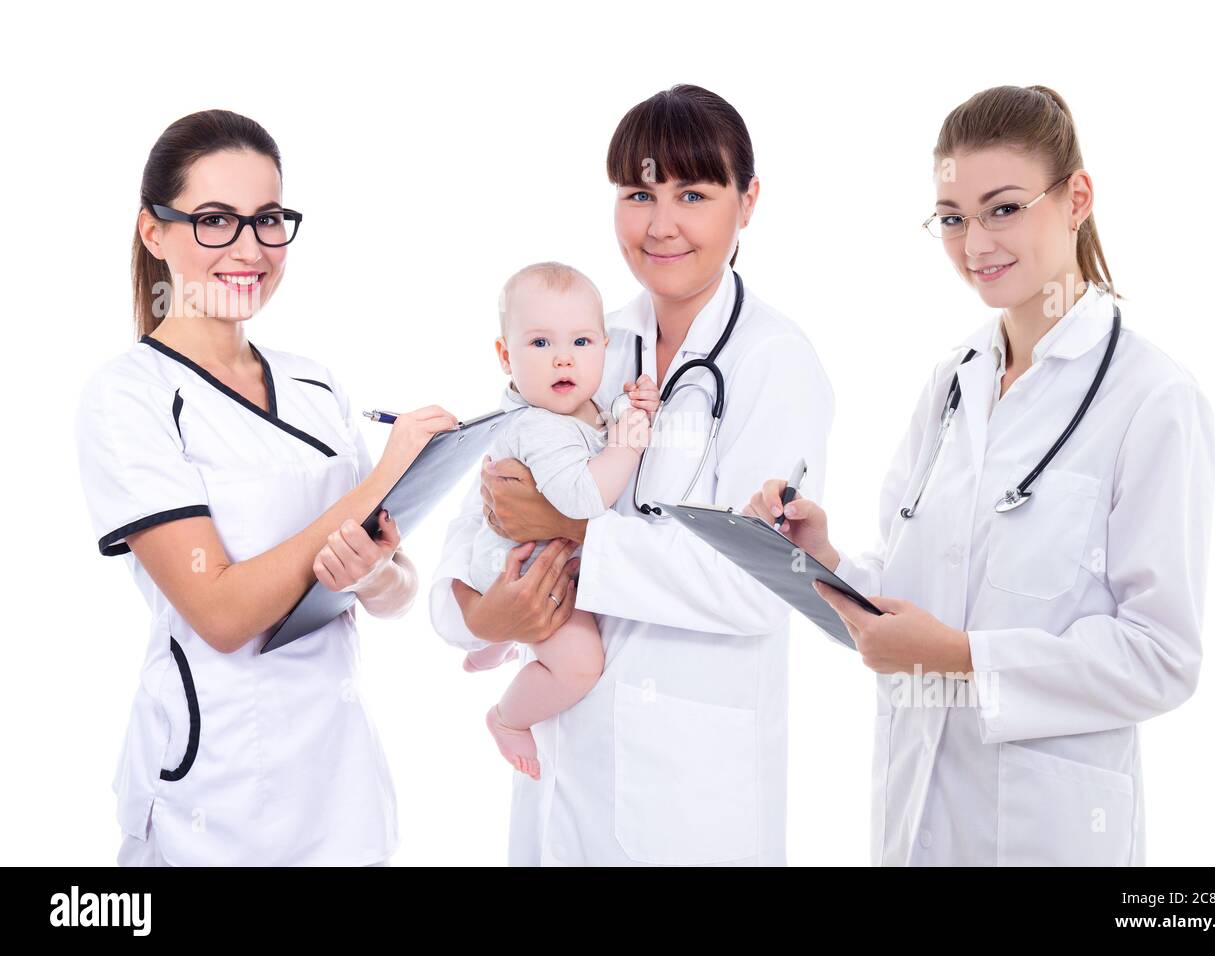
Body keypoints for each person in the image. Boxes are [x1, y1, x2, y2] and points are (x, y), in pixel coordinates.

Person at [746, 85, 1215, 866]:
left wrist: (962, 658)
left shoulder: (1153, 399)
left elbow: (1162, 659)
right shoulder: (954, 380)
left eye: (1003, 208)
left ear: (1077, 199)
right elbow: (908, 611)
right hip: (915, 821)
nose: (975, 244)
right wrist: (823, 561)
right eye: (954, 217)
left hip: (1047, 834)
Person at [430, 85, 834, 866]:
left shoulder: (775, 364)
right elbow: (483, 518)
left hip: (688, 795)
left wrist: (576, 532)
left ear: (747, 202)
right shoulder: (583, 339)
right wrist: (481, 620)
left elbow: (757, 581)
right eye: (638, 193)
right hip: (561, 772)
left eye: (693, 192)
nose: (660, 223)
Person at [75, 109, 456, 866]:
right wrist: (383, 475)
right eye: (215, 220)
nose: (250, 249)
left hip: (340, 779)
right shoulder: (128, 398)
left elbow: (394, 585)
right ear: (156, 233)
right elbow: (219, 612)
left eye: (269, 219)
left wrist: (377, 574)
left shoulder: (315, 386)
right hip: (217, 790)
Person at [464, 261, 659, 781]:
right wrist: (626, 443)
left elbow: (595, 421)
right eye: (540, 344)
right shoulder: (539, 427)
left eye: (581, 342)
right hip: (526, 572)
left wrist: (628, 407)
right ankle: (506, 717)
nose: (563, 358)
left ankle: (499, 644)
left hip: (541, 560)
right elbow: (581, 497)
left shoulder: (577, 406)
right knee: (579, 664)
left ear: (604, 346)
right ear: (505, 356)